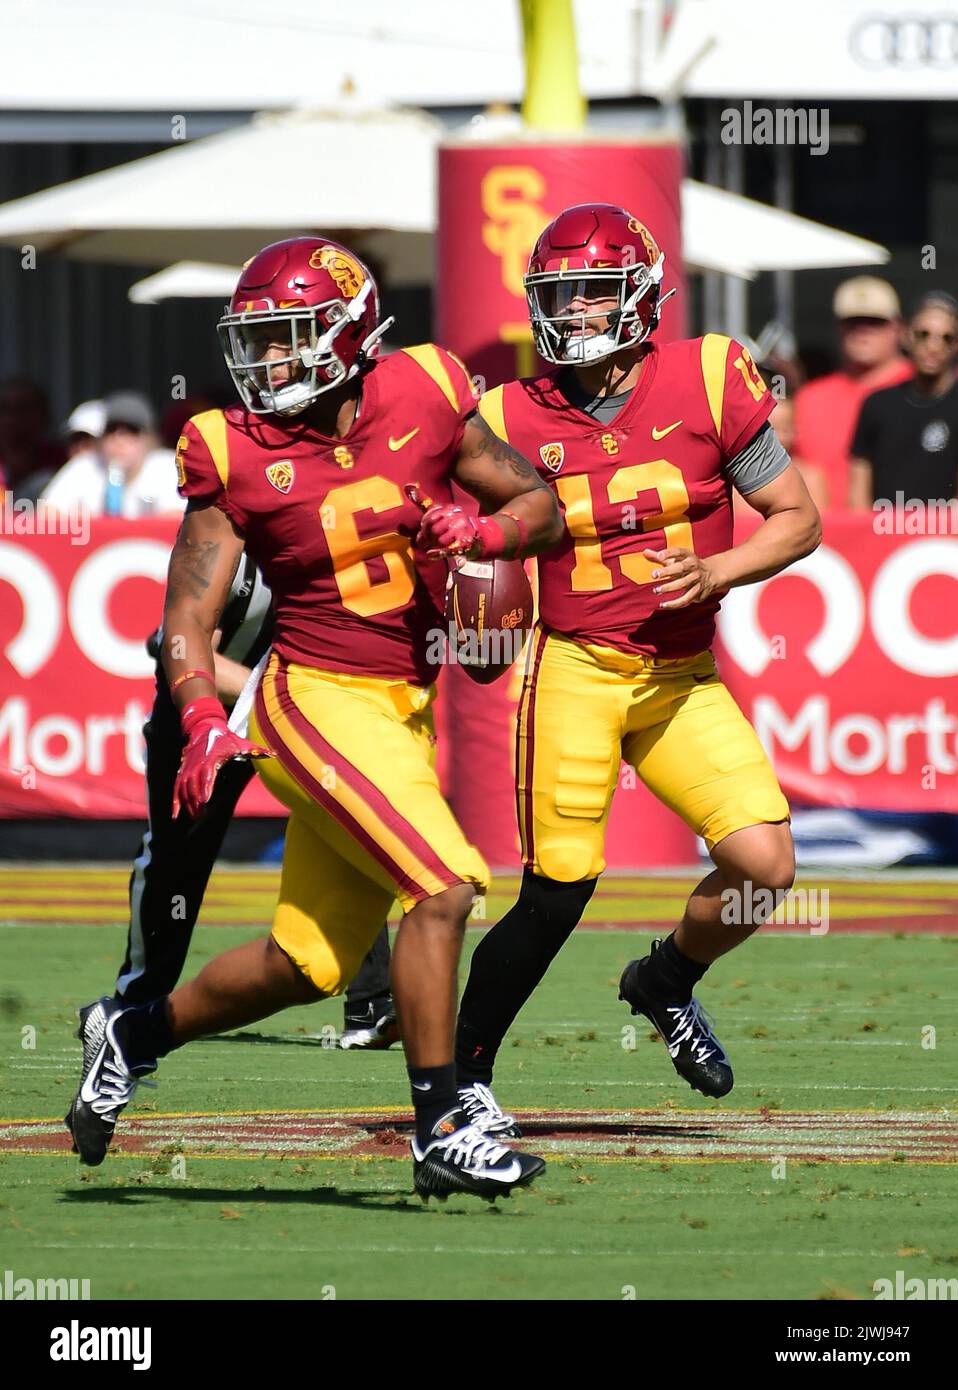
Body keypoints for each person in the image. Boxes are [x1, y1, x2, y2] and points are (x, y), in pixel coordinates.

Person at [65, 235, 562, 1200]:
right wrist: (203, 713)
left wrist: (484, 531)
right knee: (447, 885)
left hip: (403, 706)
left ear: (348, 335)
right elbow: (187, 617)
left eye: (289, 339)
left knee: (308, 963)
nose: (269, 363)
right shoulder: (233, 446)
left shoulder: (424, 390)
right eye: (258, 341)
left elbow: (538, 505)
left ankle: (130, 1032)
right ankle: (444, 1122)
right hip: (312, 699)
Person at [452, 203, 821, 1133]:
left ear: (642, 296)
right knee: (557, 891)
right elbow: (461, 537)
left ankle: (665, 981)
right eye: (559, 296)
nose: (573, 315)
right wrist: (466, 595)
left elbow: (797, 517)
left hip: (681, 674)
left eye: (592, 293)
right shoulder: (503, 415)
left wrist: (717, 569)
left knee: (764, 865)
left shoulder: (706, 377)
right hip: (576, 666)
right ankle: (463, 1076)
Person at [108, 555, 397, 1049]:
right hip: (206, 716)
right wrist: (281, 694)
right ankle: (135, 1002)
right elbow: (181, 649)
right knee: (178, 856)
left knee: (347, 825)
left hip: (289, 705)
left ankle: (371, 1001)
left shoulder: (330, 531)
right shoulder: (225, 545)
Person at [793, 277, 910, 510]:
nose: (863, 330)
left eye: (875, 321)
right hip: (825, 538)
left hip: (908, 535)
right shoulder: (809, 397)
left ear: (898, 327)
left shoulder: (925, 390)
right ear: (838, 328)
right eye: (853, 322)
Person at [849, 291, 958, 508]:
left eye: (946, 338)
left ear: (956, 345)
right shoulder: (877, 404)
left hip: (945, 537)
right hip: (884, 532)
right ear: (907, 336)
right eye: (923, 335)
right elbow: (858, 490)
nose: (934, 346)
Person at [42, 391, 183, 517]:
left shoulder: (165, 466)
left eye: (131, 430)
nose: (119, 439)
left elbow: (177, 518)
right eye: (111, 430)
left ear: (148, 439)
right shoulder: (84, 465)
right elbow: (46, 513)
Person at [0, 377, 65, 502]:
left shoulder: (62, 463)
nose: (11, 419)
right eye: (3, 410)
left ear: (44, 417)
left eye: (22, 410)